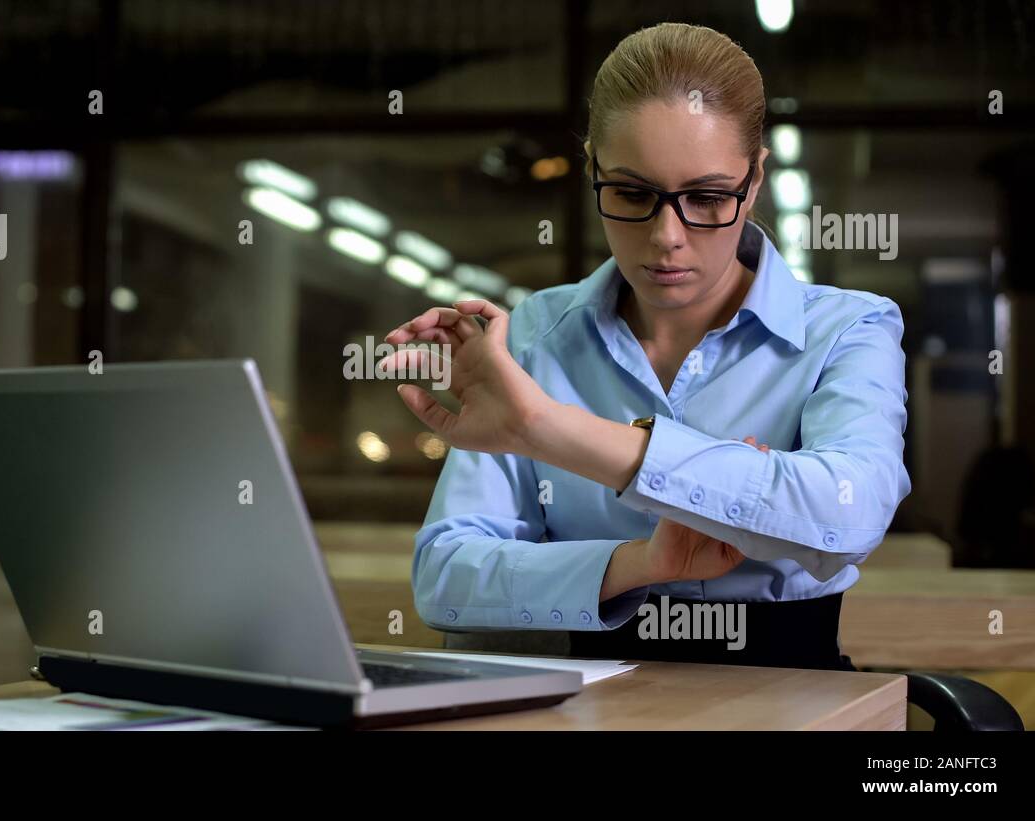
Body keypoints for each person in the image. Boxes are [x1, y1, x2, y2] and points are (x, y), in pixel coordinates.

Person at [381, 22, 911, 671]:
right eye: (633, 192)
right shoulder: (533, 335)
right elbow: (446, 579)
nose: (667, 235)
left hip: (787, 691)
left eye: (709, 197)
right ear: (592, 169)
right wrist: (637, 564)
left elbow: (847, 516)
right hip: (586, 700)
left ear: (756, 179)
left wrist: (546, 428)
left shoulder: (846, 329)